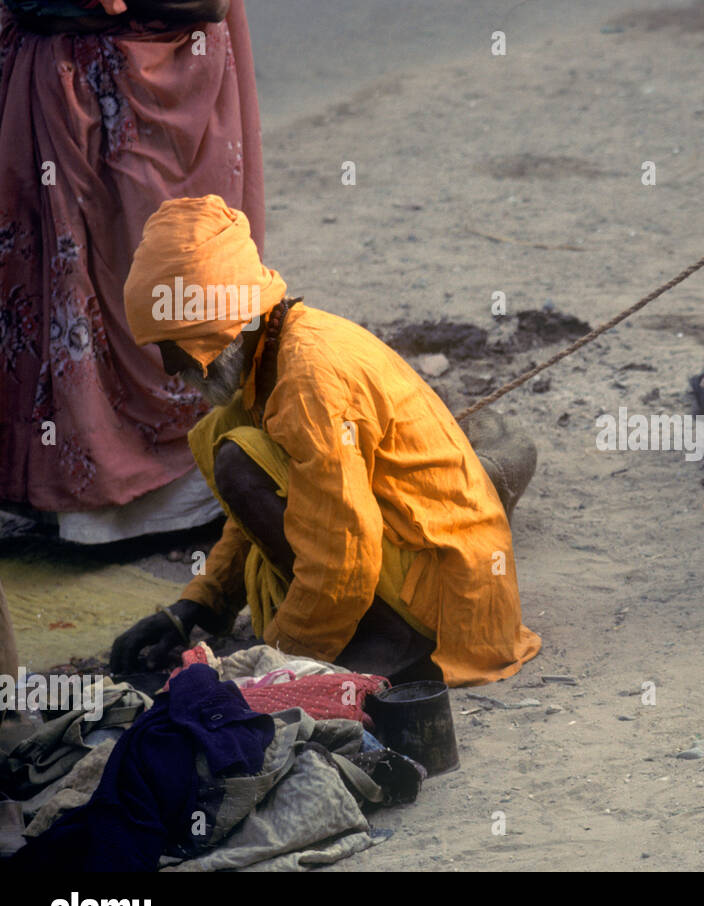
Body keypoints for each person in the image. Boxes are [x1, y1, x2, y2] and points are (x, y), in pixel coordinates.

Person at [109, 196, 541, 686]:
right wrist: (196, 605)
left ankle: (391, 639)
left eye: (175, 346)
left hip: (449, 598)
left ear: (221, 322)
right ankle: (351, 630)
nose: (170, 368)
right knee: (232, 444)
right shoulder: (265, 359)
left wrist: (277, 665)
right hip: (410, 565)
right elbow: (258, 519)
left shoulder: (309, 374)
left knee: (237, 460)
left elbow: (344, 551)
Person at [0, 0, 263, 542]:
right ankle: (70, 502)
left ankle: (172, 501)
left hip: (161, 70)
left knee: (165, 283)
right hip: (50, 69)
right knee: (60, 285)